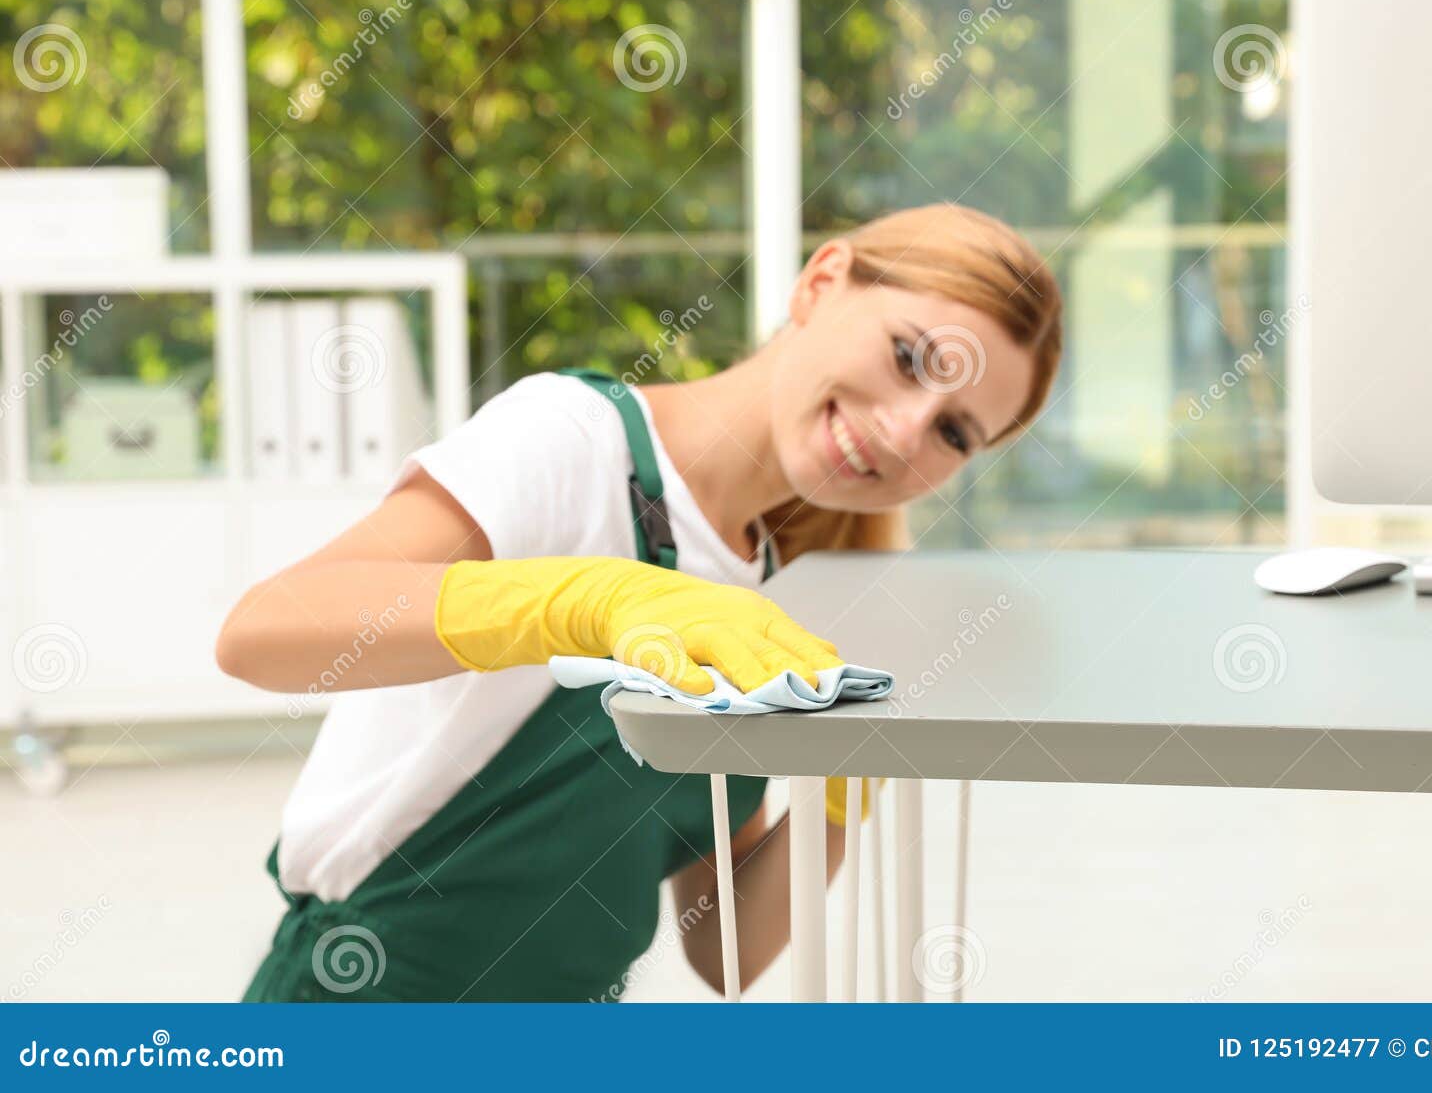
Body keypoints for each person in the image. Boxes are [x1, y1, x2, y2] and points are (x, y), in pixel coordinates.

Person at [216, 201, 1063, 1001]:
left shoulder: (770, 597)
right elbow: (264, 631)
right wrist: (587, 599)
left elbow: (726, 947)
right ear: (821, 282)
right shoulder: (574, 440)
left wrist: (848, 780)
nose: (907, 430)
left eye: (955, 432)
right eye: (911, 356)